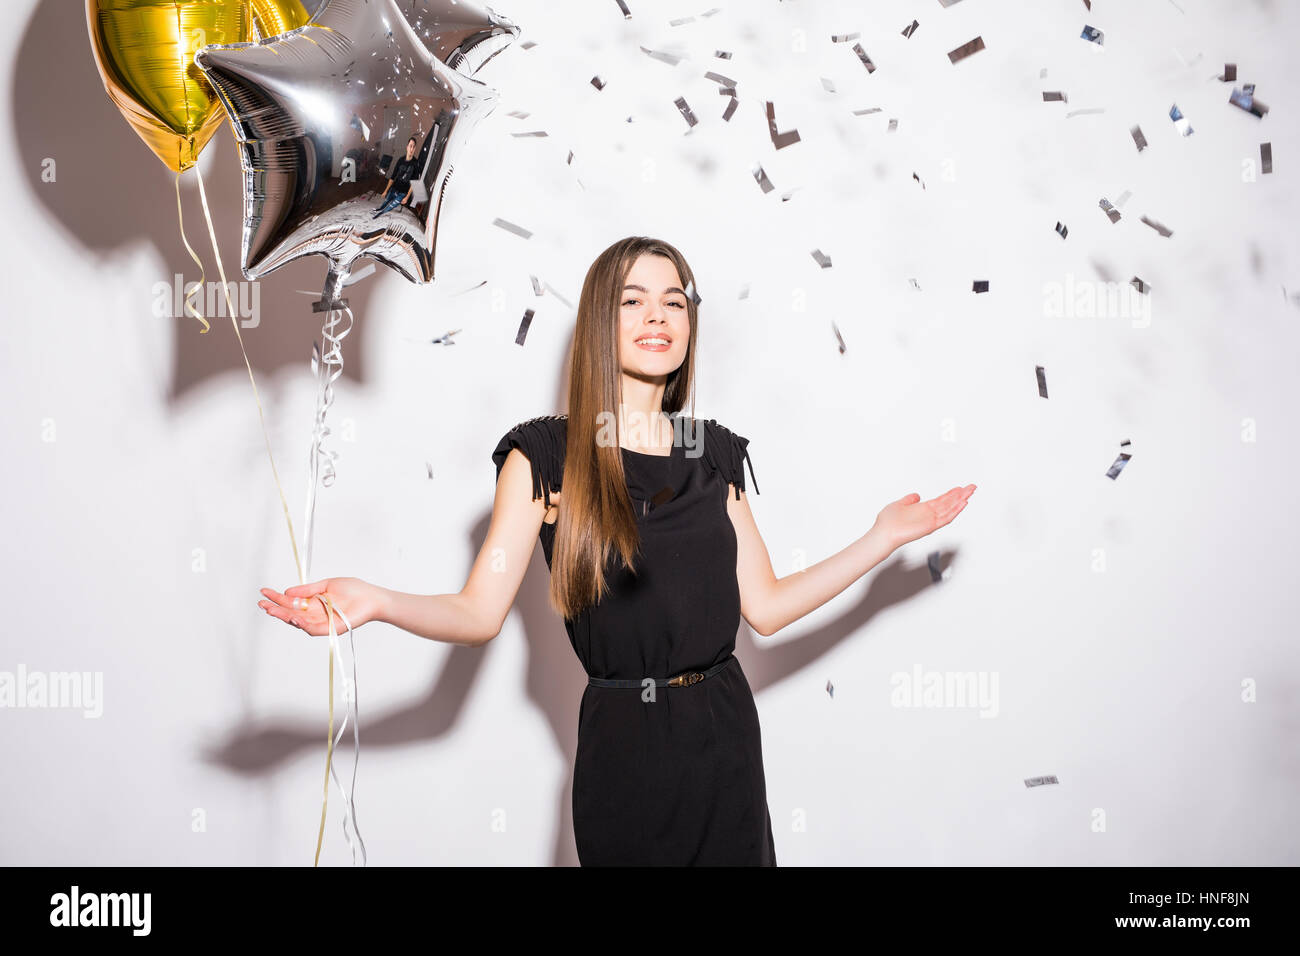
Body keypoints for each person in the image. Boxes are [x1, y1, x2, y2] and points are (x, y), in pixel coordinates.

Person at [257, 236, 976, 866]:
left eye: (675, 301)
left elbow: (767, 606)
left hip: (726, 741)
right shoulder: (545, 456)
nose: (658, 316)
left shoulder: (712, 453)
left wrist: (879, 540)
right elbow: (479, 612)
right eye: (633, 301)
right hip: (625, 750)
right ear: (602, 320)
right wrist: (376, 601)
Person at [372, 135, 420, 218]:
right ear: (407, 147)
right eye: (410, 146)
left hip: (403, 193)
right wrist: (386, 191)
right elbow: (393, 176)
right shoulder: (401, 160)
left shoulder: (416, 164)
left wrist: (407, 197)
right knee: (384, 203)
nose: (411, 149)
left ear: (415, 149)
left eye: (413, 147)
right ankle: (378, 211)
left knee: (390, 207)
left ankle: (378, 216)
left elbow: (414, 183)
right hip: (394, 188)